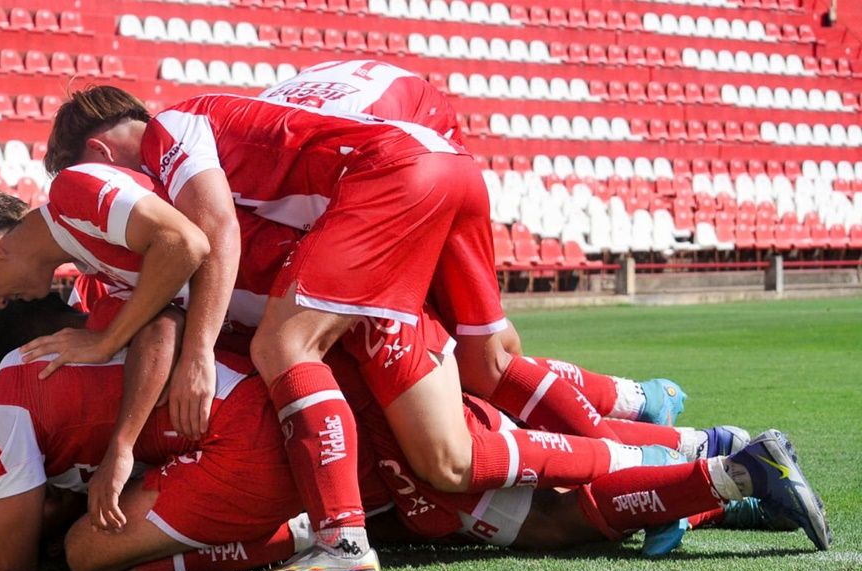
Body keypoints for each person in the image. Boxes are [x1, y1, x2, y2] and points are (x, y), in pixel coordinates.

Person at [0, 302, 830, 571]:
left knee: (520, 496)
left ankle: (718, 463)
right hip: (314, 400)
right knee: (505, 453)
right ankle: (714, 471)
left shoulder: (6, 423)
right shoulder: (39, 354)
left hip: (295, 444)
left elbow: (21, 560)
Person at [259, 59, 688, 427]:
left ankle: (635, 415)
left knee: (483, 360)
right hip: (351, 122)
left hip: (411, 141)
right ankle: (636, 407)